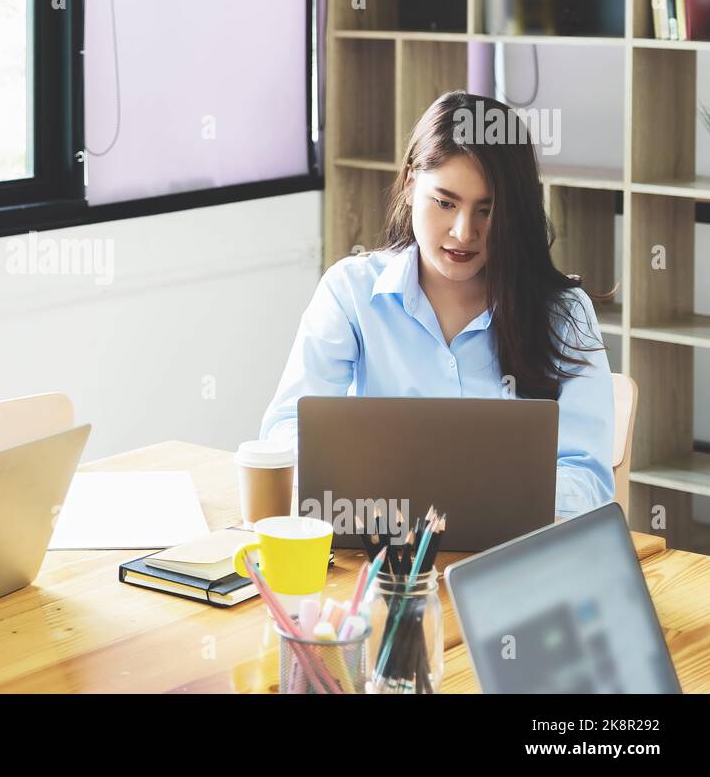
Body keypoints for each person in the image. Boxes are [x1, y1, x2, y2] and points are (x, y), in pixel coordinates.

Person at [261, 91, 615, 519]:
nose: (465, 232)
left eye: (488, 210)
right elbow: (285, 430)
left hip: (513, 555)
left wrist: (498, 510)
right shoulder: (350, 292)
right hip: (382, 551)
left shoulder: (564, 312)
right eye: (445, 203)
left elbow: (587, 475)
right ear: (411, 185)